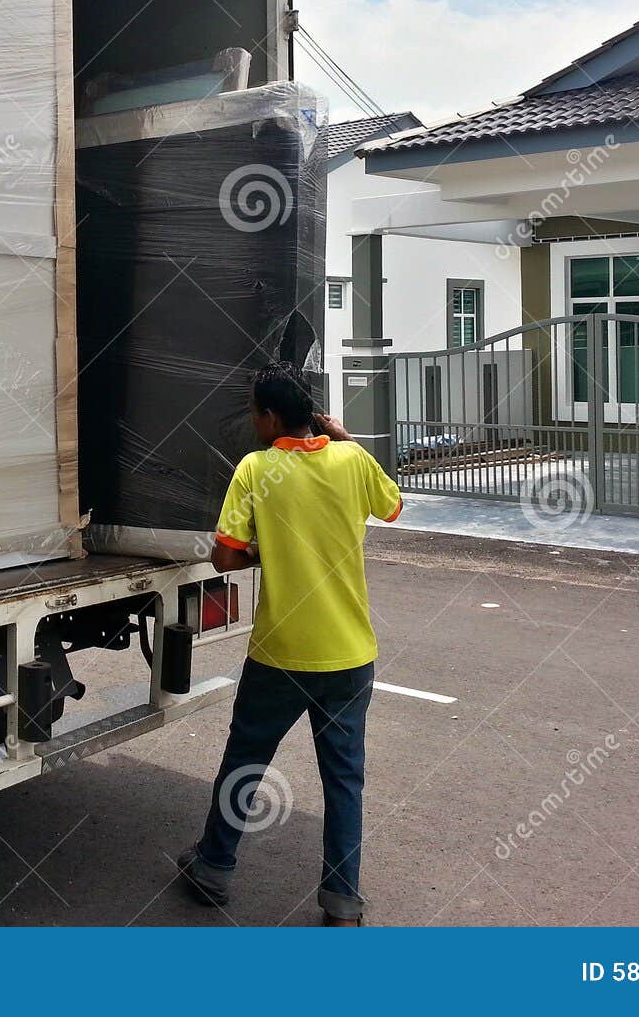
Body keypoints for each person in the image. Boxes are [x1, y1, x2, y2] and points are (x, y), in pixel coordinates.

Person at [177, 361, 401, 926]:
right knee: (345, 778)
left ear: (272, 417)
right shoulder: (352, 461)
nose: (253, 422)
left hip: (280, 653)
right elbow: (392, 507)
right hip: (350, 652)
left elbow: (224, 556)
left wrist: (264, 552)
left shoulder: (256, 468)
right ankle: (342, 900)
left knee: (246, 761)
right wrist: (347, 438)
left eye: (255, 412)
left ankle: (214, 870)